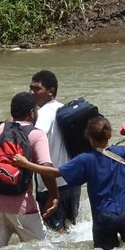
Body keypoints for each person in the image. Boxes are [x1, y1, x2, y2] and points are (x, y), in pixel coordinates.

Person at [13, 115, 125, 250]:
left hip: (104, 218)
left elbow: (54, 173)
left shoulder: (85, 159)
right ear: (109, 135)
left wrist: (26, 164)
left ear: (89, 138)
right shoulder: (123, 152)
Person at [0, 92, 59, 250]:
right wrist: (54, 195)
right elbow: (46, 167)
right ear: (32, 112)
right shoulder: (36, 134)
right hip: (21, 206)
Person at [29, 70, 77, 233]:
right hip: (71, 181)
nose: (32, 93)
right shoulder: (65, 109)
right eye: (31, 88)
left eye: (37, 89)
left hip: (50, 185)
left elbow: (34, 139)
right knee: (72, 229)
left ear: (51, 91)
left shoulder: (43, 114)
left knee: (57, 235)